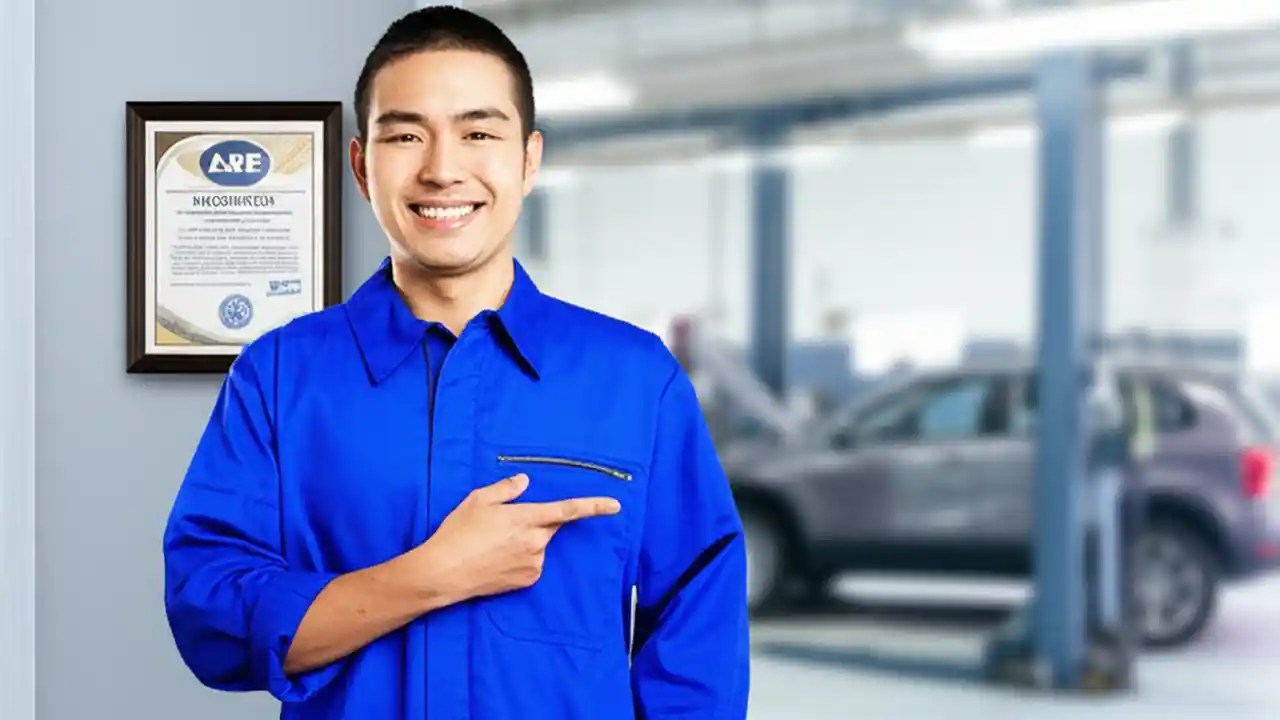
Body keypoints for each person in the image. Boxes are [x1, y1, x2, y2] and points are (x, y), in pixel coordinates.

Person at [161, 6, 750, 719]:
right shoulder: (280, 379)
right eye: (406, 135)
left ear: (528, 159)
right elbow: (211, 614)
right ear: (360, 166)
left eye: (478, 133)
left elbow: (697, 645)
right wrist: (431, 576)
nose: (442, 170)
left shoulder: (634, 380)